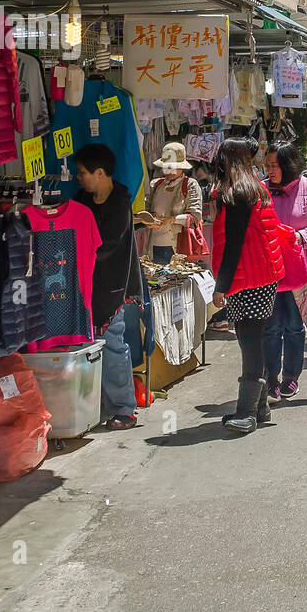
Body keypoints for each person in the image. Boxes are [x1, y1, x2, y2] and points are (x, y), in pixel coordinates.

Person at [211, 138, 286, 435]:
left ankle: (247, 413)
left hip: (249, 277)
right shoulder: (253, 185)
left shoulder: (238, 193)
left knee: (250, 341)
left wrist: (222, 286)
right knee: (249, 338)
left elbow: (233, 244)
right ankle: (259, 407)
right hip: (261, 275)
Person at [73, 145, 144, 431]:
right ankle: (96, 407)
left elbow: (108, 243)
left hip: (114, 287)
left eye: (82, 173)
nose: (79, 178)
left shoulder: (120, 202)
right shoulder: (81, 200)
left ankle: (124, 409)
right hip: (83, 285)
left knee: (113, 345)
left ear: (100, 173)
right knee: (89, 347)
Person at [264, 142, 307, 405]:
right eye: (267, 165)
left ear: (289, 165)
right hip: (268, 274)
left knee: (294, 327)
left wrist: (299, 237)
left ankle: (291, 377)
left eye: (274, 165)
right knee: (270, 329)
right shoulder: (260, 190)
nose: (269, 170)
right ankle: (270, 379)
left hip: (300, 273)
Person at [136, 142, 204, 265]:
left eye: (173, 167)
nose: (169, 171)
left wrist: (171, 219)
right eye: (167, 167)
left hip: (178, 246)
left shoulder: (190, 185)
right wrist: (149, 220)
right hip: (154, 244)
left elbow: (195, 217)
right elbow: (147, 210)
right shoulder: (156, 184)